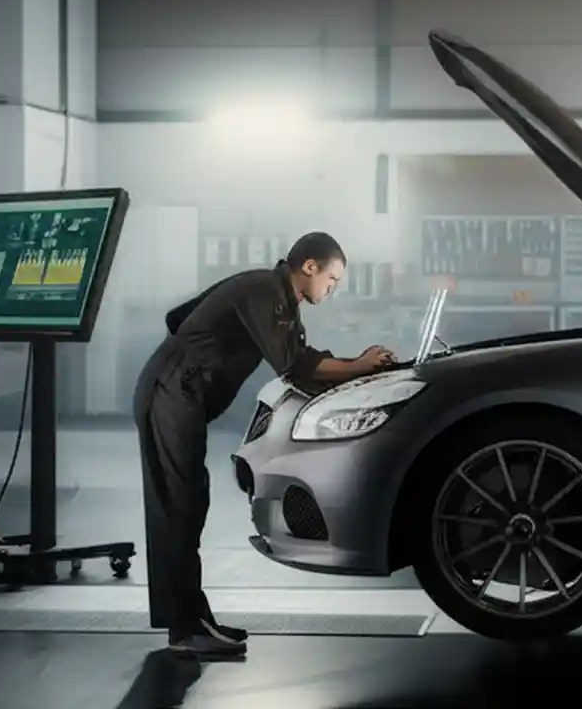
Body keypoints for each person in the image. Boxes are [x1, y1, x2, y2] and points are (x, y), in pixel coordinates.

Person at [133, 232, 395, 656]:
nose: (333, 289)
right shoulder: (264, 289)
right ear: (309, 266)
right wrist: (359, 365)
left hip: (174, 390)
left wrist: (356, 370)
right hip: (170, 392)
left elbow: (177, 317)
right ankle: (185, 628)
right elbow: (295, 364)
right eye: (332, 278)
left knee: (186, 500)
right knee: (179, 503)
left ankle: (189, 621)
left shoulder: (267, 293)